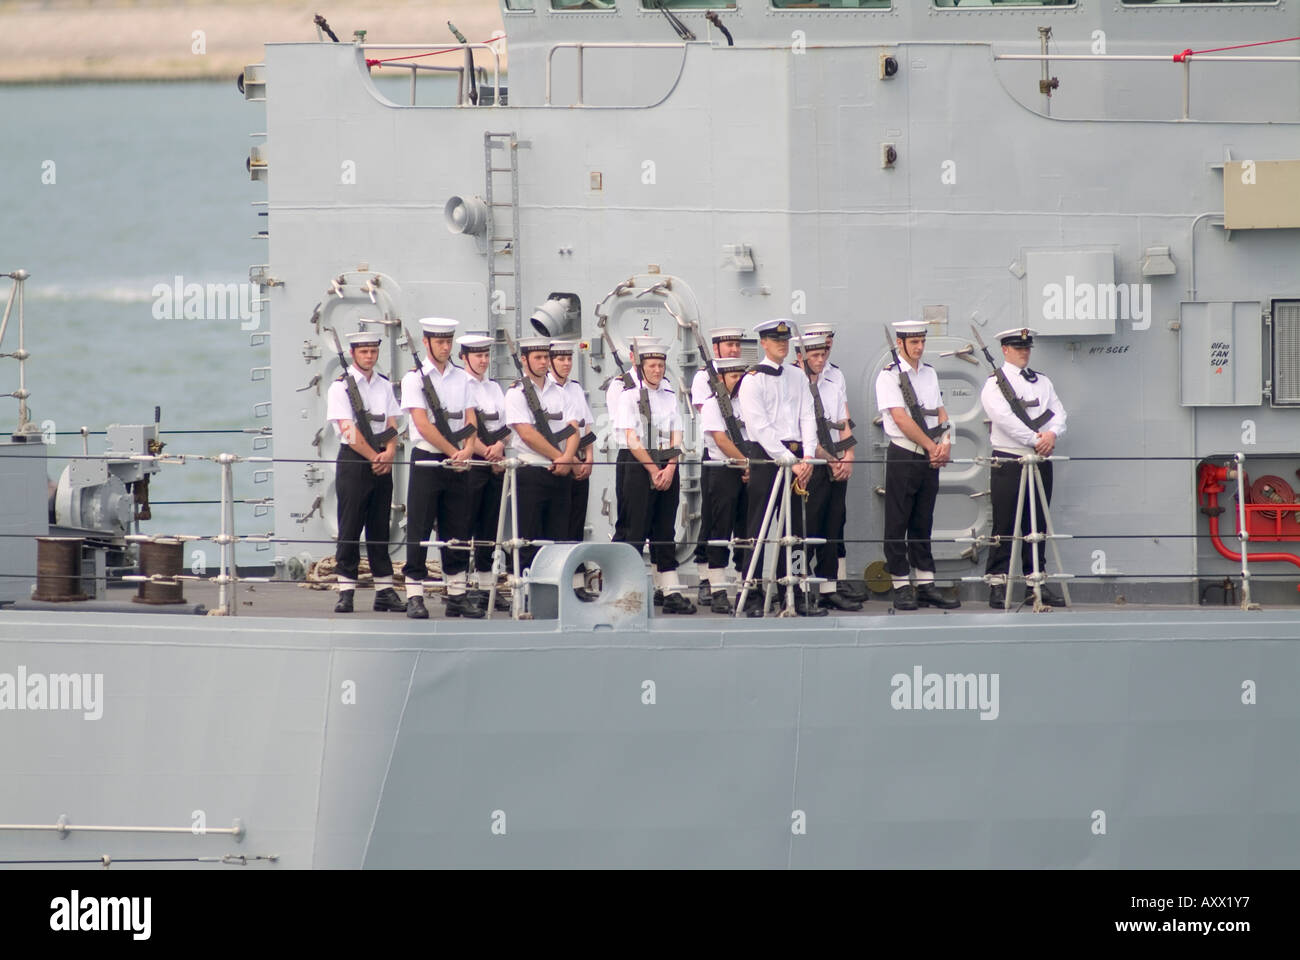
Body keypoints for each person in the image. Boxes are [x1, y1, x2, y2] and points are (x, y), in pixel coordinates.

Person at [734, 319, 822, 617]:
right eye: (775, 340)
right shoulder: (752, 380)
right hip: (768, 457)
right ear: (764, 343)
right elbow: (759, 427)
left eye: (785, 340)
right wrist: (789, 459)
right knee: (758, 527)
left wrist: (807, 456)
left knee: (795, 529)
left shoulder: (797, 376)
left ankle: (793, 589)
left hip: (798, 457)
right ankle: (752, 590)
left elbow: (808, 416)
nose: (782, 344)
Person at [874, 320, 960, 611]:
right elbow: (900, 418)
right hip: (904, 453)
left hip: (930, 454)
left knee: (923, 520)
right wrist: (931, 446)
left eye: (922, 341)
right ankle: (900, 583)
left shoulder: (930, 373)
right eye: (913, 343)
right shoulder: (888, 377)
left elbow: (940, 410)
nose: (919, 347)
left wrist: (947, 441)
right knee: (898, 521)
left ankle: (925, 583)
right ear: (900, 343)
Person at [980, 327, 1068, 609]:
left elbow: (1058, 412)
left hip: (1040, 459)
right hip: (1010, 459)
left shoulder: (1042, 382)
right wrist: (1036, 439)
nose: (1024, 352)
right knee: (1005, 523)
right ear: (1005, 350)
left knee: (1038, 523)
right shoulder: (995, 384)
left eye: (1027, 347)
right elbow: (1003, 418)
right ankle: (997, 583)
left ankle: (1035, 583)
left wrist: (1052, 435)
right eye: (1018, 348)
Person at [399, 318, 481, 619]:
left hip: (459, 459)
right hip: (429, 459)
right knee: (419, 527)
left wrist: (469, 450)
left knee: (456, 528)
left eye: (449, 342)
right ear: (427, 342)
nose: (445, 347)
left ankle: (457, 594)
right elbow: (421, 423)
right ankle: (415, 595)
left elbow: (471, 419)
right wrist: (453, 452)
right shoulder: (414, 379)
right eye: (440, 342)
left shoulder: (463, 379)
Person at [614, 338, 695, 614]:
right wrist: (653, 469)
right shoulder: (628, 396)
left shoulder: (669, 395)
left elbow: (678, 432)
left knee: (664, 528)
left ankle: (669, 590)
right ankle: (627, 591)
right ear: (641, 366)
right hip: (638, 464)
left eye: (661, 365)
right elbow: (630, 437)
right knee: (634, 528)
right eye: (652, 365)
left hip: (666, 460)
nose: (657, 370)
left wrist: (671, 467)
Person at [325, 330, 403, 614]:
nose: (369, 356)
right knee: (350, 526)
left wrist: (390, 453)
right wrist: (375, 457)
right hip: (355, 462)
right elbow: (347, 429)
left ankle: (384, 590)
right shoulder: (340, 388)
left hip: (382, 459)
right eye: (364, 352)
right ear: (354, 353)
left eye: (373, 351)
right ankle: (346, 591)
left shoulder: (383, 385)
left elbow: (392, 423)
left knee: (380, 527)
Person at [794, 334, 862, 612]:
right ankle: (797, 586)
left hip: (835, 462)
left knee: (833, 527)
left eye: (823, 355)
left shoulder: (833, 380)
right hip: (808, 465)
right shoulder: (792, 384)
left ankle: (828, 588)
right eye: (814, 356)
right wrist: (829, 458)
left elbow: (842, 420)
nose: (821, 361)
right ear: (801, 357)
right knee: (802, 530)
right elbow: (800, 429)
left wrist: (849, 455)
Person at [504, 336, 580, 574]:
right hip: (532, 472)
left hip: (561, 471)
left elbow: (574, 428)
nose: (543, 362)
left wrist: (567, 457)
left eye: (546, 357)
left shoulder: (560, 392)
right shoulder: (516, 393)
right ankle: (527, 591)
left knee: (559, 537)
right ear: (524, 360)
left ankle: (557, 590)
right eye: (537, 357)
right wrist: (562, 457)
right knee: (529, 537)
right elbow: (526, 434)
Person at [690, 327, 745, 605]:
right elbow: (713, 422)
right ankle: (709, 581)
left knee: (744, 524)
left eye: (737, 344)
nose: (734, 348)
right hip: (719, 457)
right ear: (716, 348)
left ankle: (747, 582)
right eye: (729, 344)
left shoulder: (747, 388)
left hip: (745, 459)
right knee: (714, 519)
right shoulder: (704, 378)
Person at [459, 332, 512, 613]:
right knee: (462, 525)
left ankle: (487, 586)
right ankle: (457, 587)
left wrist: (499, 448)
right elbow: (462, 429)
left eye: (486, 355)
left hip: (495, 465)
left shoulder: (494, 389)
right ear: (464, 357)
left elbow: (507, 426)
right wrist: (487, 452)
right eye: (478, 355)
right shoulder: (459, 387)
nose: (483, 360)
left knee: (490, 528)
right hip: (471, 465)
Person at [698, 356, 751, 614]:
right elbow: (720, 440)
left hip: (748, 470)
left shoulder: (749, 403)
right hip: (724, 470)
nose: (738, 380)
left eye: (741, 375)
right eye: (733, 376)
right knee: (720, 530)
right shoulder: (712, 405)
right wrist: (746, 463)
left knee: (746, 530)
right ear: (721, 379)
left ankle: (746, 586)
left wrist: (751, 465)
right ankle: (718, 589)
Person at [549, 339, 597, 599]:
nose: (566, 363)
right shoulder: (546, 391)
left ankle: (577, 585)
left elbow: (585, 426)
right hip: (559, 463)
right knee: (558, 527)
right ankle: (557, 584)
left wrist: (588, 458)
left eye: (569, 359)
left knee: (575, 526)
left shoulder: (576, 389)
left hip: (579, 466)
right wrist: (571, 460)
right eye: (561, 359)